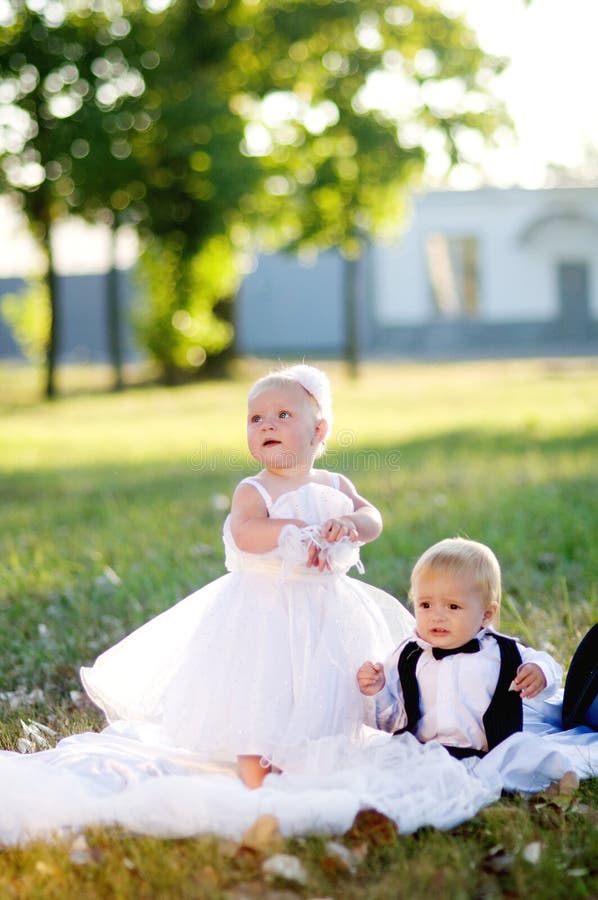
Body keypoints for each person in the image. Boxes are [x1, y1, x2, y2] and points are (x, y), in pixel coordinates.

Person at [80, 364, 414, 788]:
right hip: (265, 610)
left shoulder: (335, 482)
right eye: (255, 418)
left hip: (326, 608)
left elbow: (373, 517)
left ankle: (317, 752)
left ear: (319, 431)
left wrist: (351, 523)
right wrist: (290, 532)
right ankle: (256, 772)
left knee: (324, 684)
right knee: (261, 691)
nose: (266, 425)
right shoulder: (254, 489)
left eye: (282, 416)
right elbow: (246, 532)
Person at [358, 537, 563, 759]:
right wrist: (377, 692)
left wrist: (540, 671)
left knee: (534, 760)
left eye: (453, 606)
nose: (437, 616)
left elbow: (550, 673)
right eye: (425, 604)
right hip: (423, 758)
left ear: (486, 614)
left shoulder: (504, 652)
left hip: (493, 757)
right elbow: (392, 721)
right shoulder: (407, 657)